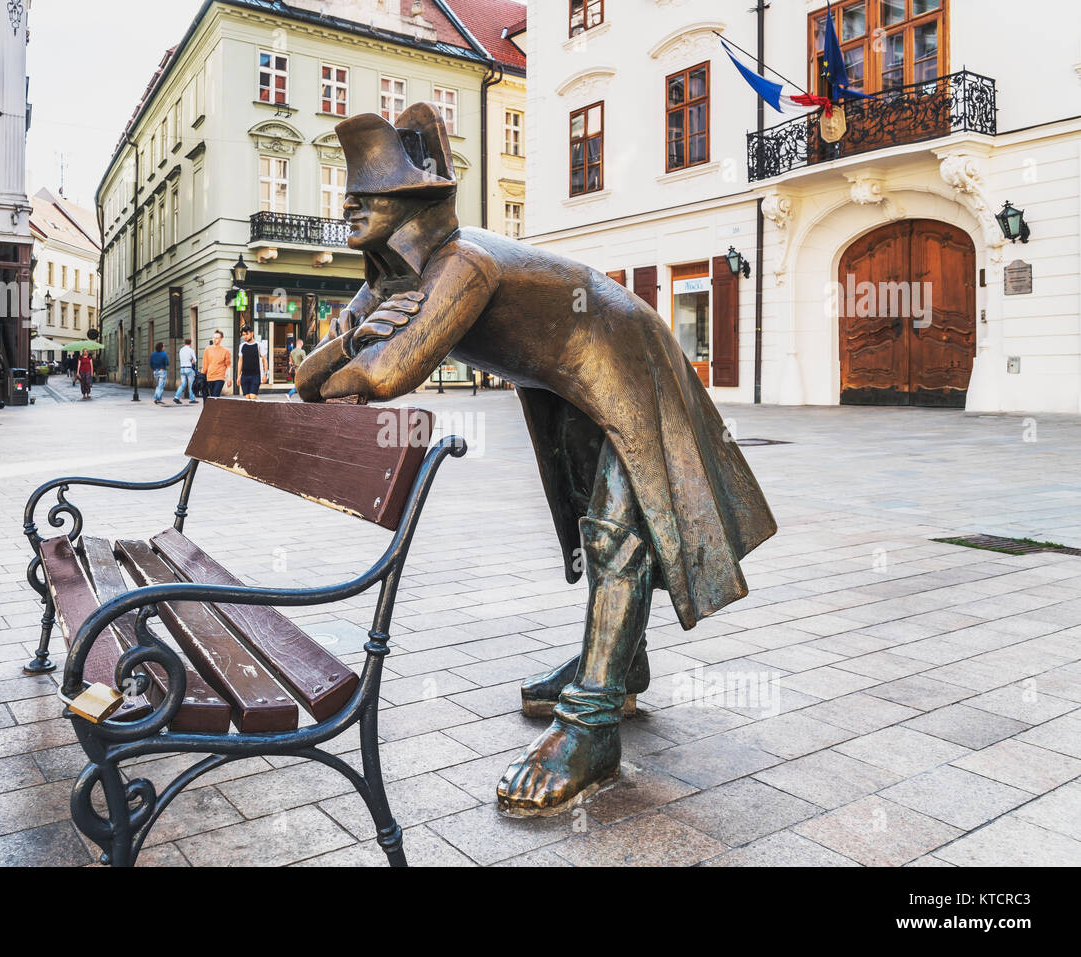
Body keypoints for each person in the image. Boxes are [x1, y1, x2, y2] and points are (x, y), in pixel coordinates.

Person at [295, 103, 776, 817]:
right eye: (352, 195)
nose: (349, 206)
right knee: (594, 517)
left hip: (623, 352)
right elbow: (314, 383)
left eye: (368, 197)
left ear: (412, 204)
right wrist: (344, 342)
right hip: (564, 380)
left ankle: (592, 724)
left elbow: (386, 377)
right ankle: (621, 663)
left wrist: (358, 350)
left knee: (619, 528)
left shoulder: (463, 265)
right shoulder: (390, 280)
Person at [238, 326, 267, 399]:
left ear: (252, 333)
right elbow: (240, 361)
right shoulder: (242, 346)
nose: (245, 336)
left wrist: (265, 374)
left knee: (253, 396)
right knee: (247, 397)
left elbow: (264, 360)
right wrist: (238, 376)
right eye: (243, 335)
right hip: (244, 375)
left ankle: (260, 407)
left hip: (255, 375)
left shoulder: (259, 345)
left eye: (247, 334)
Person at [201, 331, 232, 399]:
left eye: (217, 338)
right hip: (209, 377)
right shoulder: (208, 349)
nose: (214, 340)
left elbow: (228, 366)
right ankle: (213, 410)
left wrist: (229, 379)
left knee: (215, 397)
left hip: (219, 377)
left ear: (221, 339)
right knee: (210, 398)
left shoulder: (225, 351)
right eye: (213, 337)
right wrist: (202, 376)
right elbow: (205, 364)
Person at [175, 338, 197, 405]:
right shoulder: (191, 350)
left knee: (183, 384)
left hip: (182, 368)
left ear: (184, 343)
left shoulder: (181, 350)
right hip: (188, 368)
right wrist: (191, 361)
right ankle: (192, 399)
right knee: (191, 384)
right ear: (190, 343)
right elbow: (195, 360)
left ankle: (176, 397)